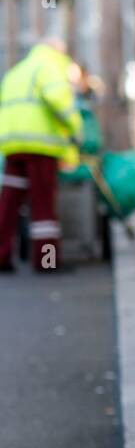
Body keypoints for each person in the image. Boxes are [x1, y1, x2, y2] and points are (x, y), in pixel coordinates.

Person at [0, 37, 84, 273]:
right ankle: (47, 262)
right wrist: (77, 131)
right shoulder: (50, 67)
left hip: (12, 147)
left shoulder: (16, 71)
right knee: (43, 205)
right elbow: (60, 102)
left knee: (8, 204)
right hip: (40, 148)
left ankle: (2, 255)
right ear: (59, 51)